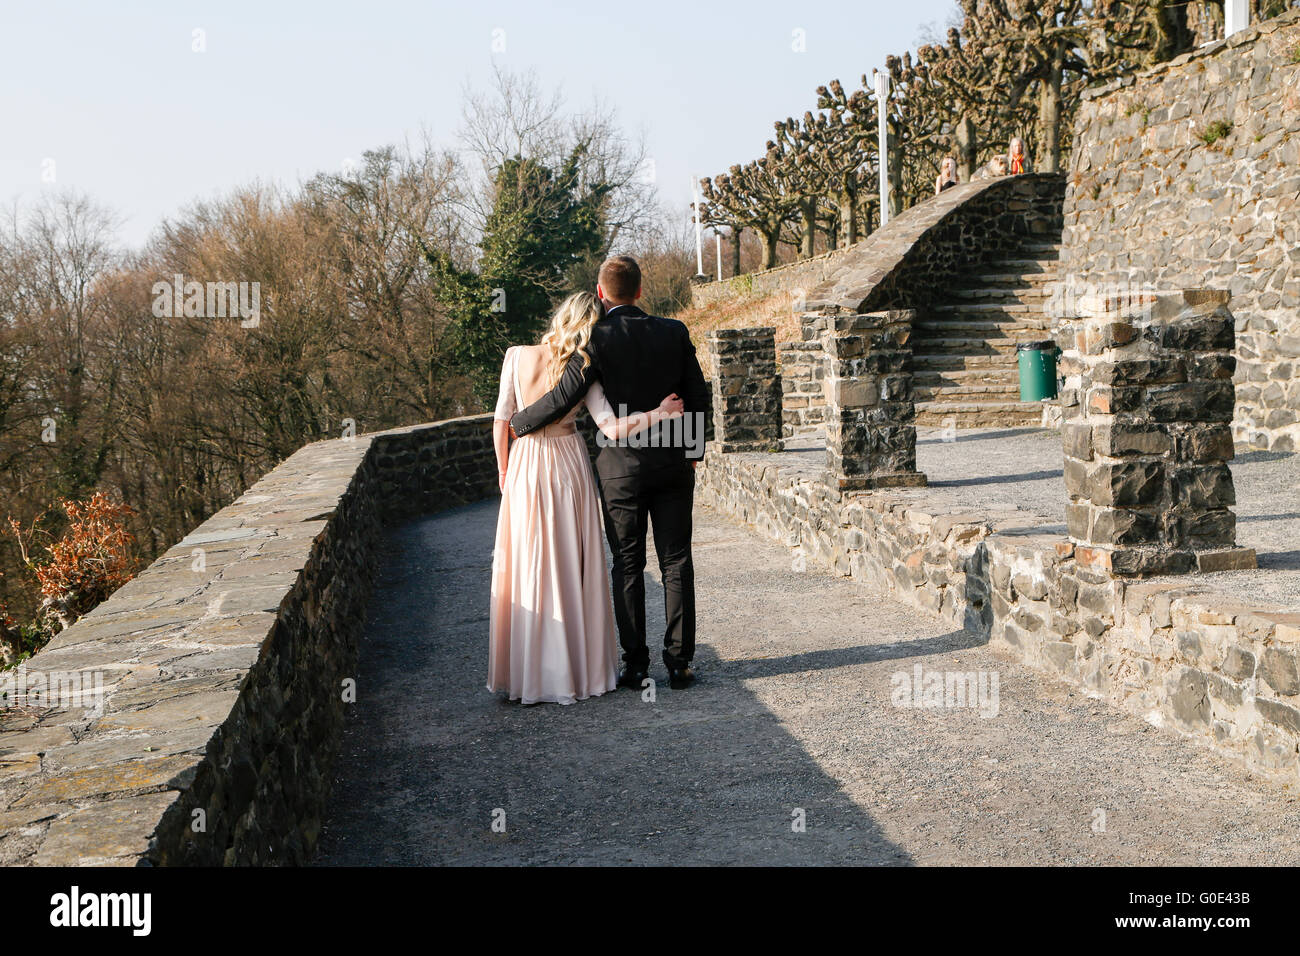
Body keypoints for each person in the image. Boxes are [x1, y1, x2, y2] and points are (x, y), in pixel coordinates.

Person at [510, 256, 710, 691]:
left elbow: (567, 394)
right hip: (673, 461)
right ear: (640, 291)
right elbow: (697, 391)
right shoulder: (673, 331)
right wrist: (693, 448)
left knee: (628, 562)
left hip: (620, 469)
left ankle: (636, 664)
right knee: (677, 560)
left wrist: (520, 423)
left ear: (601, 294)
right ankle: (679, 664)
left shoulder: (594, 339)